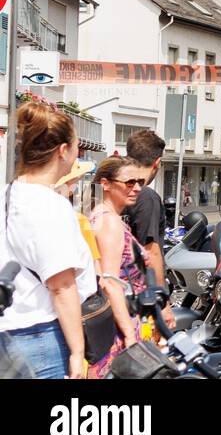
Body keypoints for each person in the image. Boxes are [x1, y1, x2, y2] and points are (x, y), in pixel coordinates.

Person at [0, 101, 98, 379]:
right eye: (77, 147)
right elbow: (61, 285)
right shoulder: (50, 205)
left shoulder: (8, 194)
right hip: (42, 335)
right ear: (63, 151)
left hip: (10, 330)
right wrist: (78, 352)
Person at [88, 157, 149, 379]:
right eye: (129, 182)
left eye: (140, 182)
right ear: (105, 184)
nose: (137, 188)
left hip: (117, 320)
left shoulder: (103, 216)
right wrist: (130, 337)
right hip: (118, 327)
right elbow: (110, 283)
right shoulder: (109, 222)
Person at [122, 130, 175, 330]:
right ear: (157, 163)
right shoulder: (146, 197)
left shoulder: (114, 188)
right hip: (140, 296)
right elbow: (151, 251)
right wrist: (162, 303)